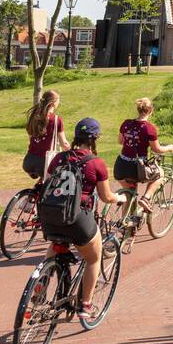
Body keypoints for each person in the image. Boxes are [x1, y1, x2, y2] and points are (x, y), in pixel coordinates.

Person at [39, 118, 124, 318]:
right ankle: (85, 304)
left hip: (50, 215)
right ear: (95, 139)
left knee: (54, 245)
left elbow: (48, 182)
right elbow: (106, 197)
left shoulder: (59, 158)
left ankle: (40, 288)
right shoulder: (96, 163)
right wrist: (119, 197)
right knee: (94, 257)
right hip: (77, 218)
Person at [114, 98, 173, 222]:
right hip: (137, 168)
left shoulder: (126, 123)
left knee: (129, 192)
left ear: (138, 110)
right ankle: (146, 198)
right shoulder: (149, 128)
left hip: (120, 166)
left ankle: (126, 222)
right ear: (151, 111)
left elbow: (121, 141)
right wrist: (169, 148)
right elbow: (157, 149)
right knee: (160, 174)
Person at [23, 90, 67, 186]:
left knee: (42, 185)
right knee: (60, 181)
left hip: (29, 161)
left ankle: (32, 197)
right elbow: (64, 144)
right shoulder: (56, 120)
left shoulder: (34, 116)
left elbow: (30, 137)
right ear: (53, 104)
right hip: (45, 163)